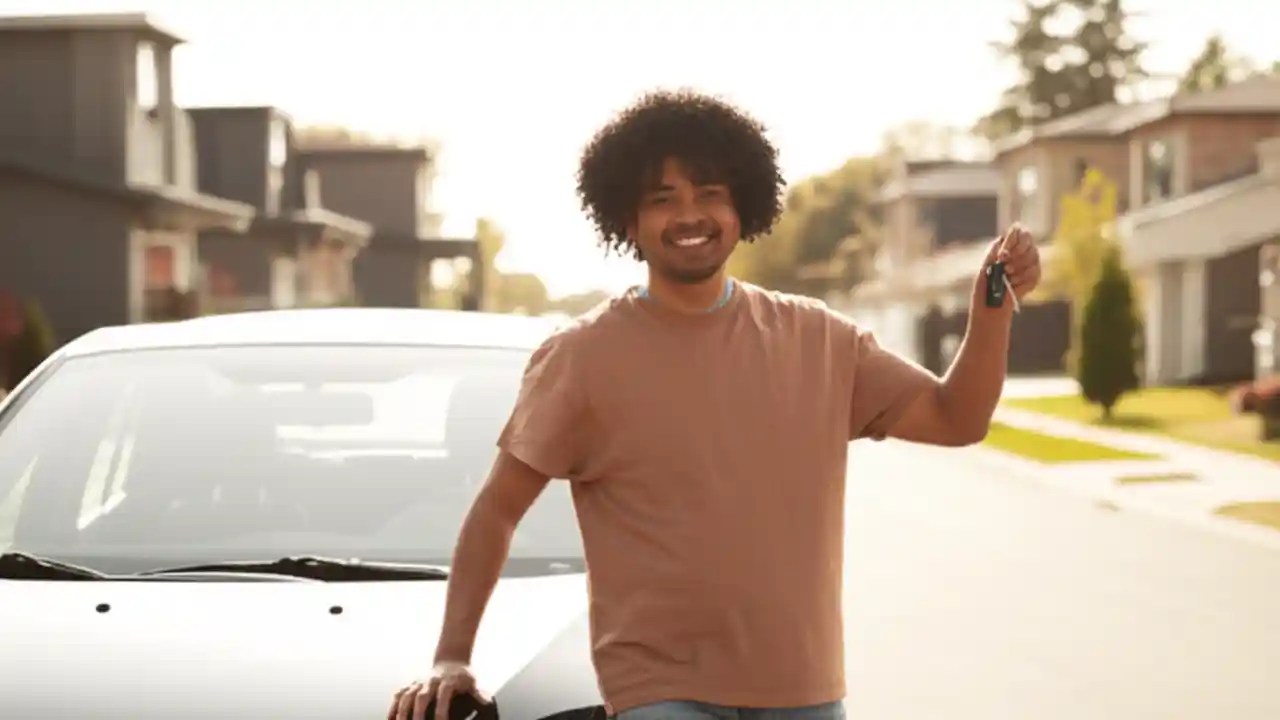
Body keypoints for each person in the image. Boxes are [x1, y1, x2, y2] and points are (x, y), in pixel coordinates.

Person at [389, 88, 1041, 720]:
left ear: (742, 207)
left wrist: (991, 313)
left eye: (709, 194)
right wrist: (452, 657)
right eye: (663, 198)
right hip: (660, 690)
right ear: (628, 220)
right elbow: (497, 510)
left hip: (804, 688)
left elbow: (957, 419)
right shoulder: (581, 357)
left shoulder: (818, 339)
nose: (689, 215)